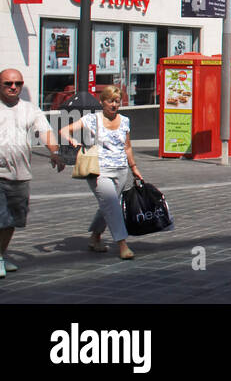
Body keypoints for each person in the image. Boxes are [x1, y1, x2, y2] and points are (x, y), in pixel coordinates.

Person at [61, 86, 143, 261]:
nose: (114, 105)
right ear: (102, 102)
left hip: (121, 169)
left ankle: (95, 238)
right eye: (110, 101)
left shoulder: (125, 121)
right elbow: (64, 130)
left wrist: (134, 168)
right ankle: (123, 244)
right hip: (98, 170)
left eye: (117, 101)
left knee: (107, 205)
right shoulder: (92, 119)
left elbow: (127, 147)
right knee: (112, 205)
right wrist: (72, 140)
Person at [0, 68, 64, 278]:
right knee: (2, 218)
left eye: (17, 83)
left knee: (14, 219)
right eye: (8, 83)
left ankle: (1, 254)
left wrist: (54, 152)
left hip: (20, 174)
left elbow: (44, 130)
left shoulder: (29, 109)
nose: (13, 87)